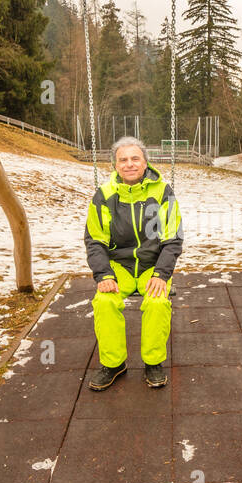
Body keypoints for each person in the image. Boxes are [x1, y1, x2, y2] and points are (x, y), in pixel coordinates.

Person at [83, 136, 183, 390]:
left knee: (158, 301)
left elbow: (172, 239)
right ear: (115, 166)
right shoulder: (105, 195)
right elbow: (95, 240)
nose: (129, 164)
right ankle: (114, 363)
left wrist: (161, 274)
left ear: (145, 162)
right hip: (120, 266)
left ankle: (153, 362)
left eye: (135, 158)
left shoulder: (162, 192)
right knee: (104, 301)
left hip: (152, 265)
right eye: (123, 160)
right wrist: (104, 274)